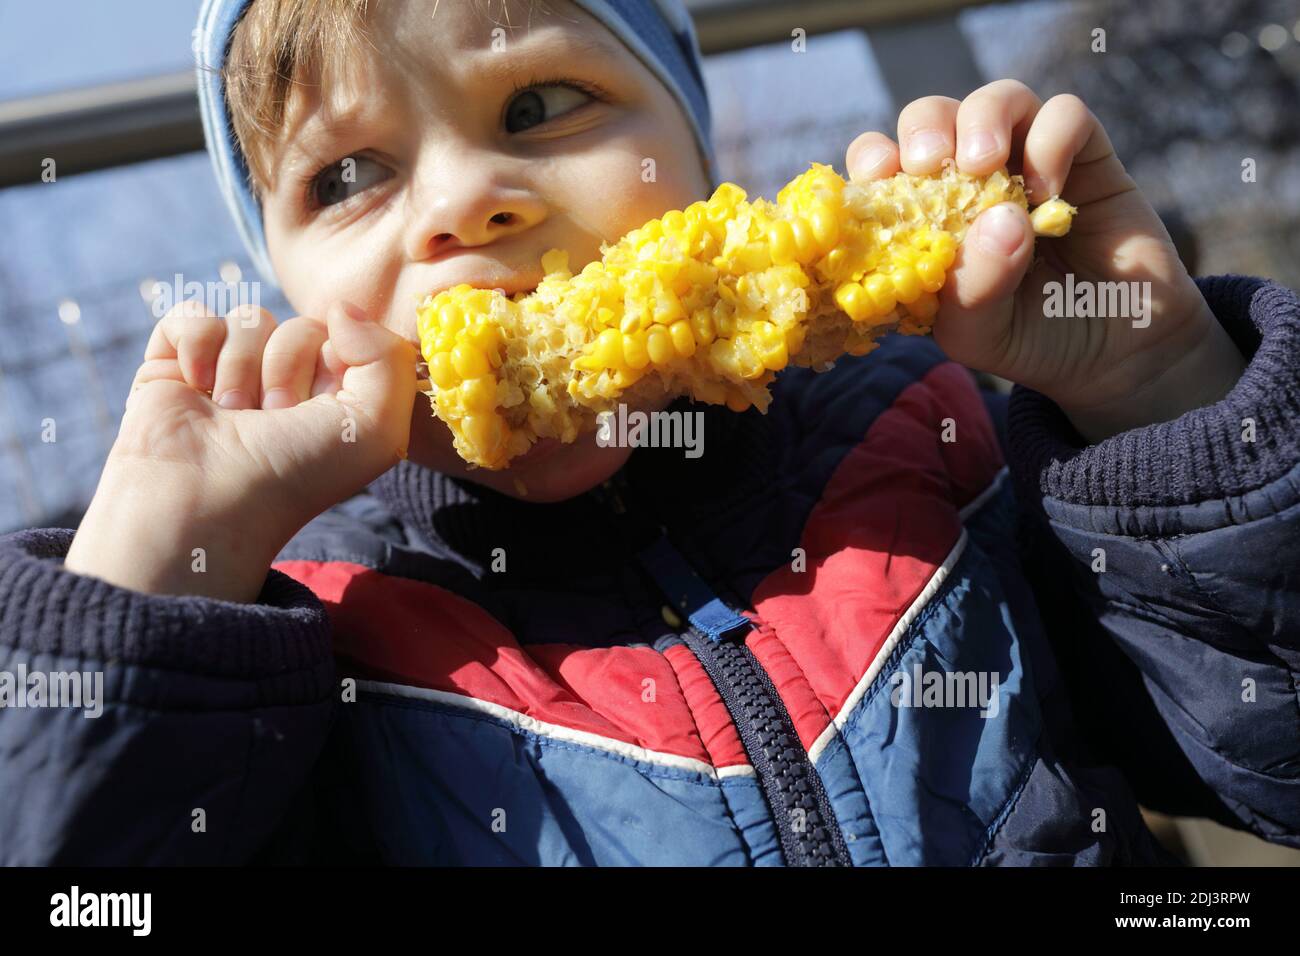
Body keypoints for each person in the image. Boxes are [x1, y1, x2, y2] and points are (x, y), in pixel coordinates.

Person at [1, 0, 1295, 865]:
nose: (463, 203)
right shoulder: (306, 642)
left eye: (540, 106)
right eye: (348, 177)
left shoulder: (940, 442)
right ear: (286, 286)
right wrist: (150, 585)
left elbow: (1265, 764)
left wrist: (1161, 385)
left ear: (701, 157)